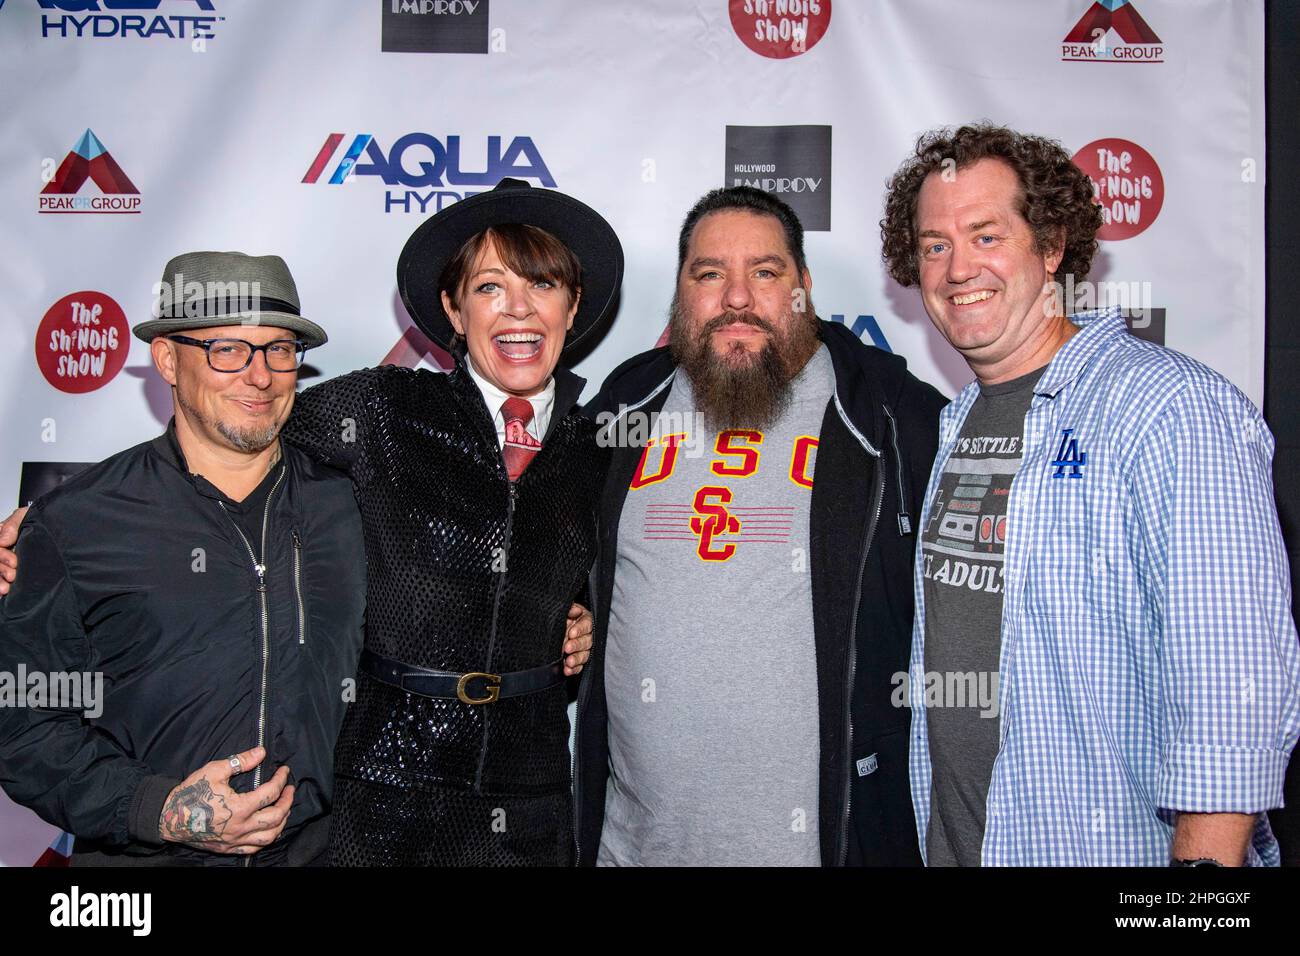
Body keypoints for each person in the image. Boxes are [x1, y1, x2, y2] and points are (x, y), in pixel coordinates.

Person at [880, 122, 1300, 866]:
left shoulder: (1168, 407)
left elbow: (1234, 683)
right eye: (934, 245)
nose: (955, 267)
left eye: (986, 235)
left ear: (1050, 247)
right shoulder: (957, 423)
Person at [576, 186, 947, 866]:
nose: (737, 298)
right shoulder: (625, 406)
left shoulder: (896, 420)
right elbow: (561, 558)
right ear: (682, 293)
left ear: (804, 287)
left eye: (765, 272)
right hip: (632, 851)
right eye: (709, 273)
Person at [280, 178, 621, 865]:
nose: (518, 309)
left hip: (529, 797)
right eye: (491, 287)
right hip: (381, 786)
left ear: (573, 306)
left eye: (543, 285)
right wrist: (59, 523)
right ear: (453, 309)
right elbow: (233, 437)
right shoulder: (381, 410)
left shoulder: (605, 448)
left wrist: (585, 613)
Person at [0, 251, 364, 865]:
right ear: (167, 358)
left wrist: (574, 614)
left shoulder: (349, 504)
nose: (260, 376)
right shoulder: (78, 522)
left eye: (279, 350)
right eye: (228, 349)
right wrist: (161, 809)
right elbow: (23, 726)